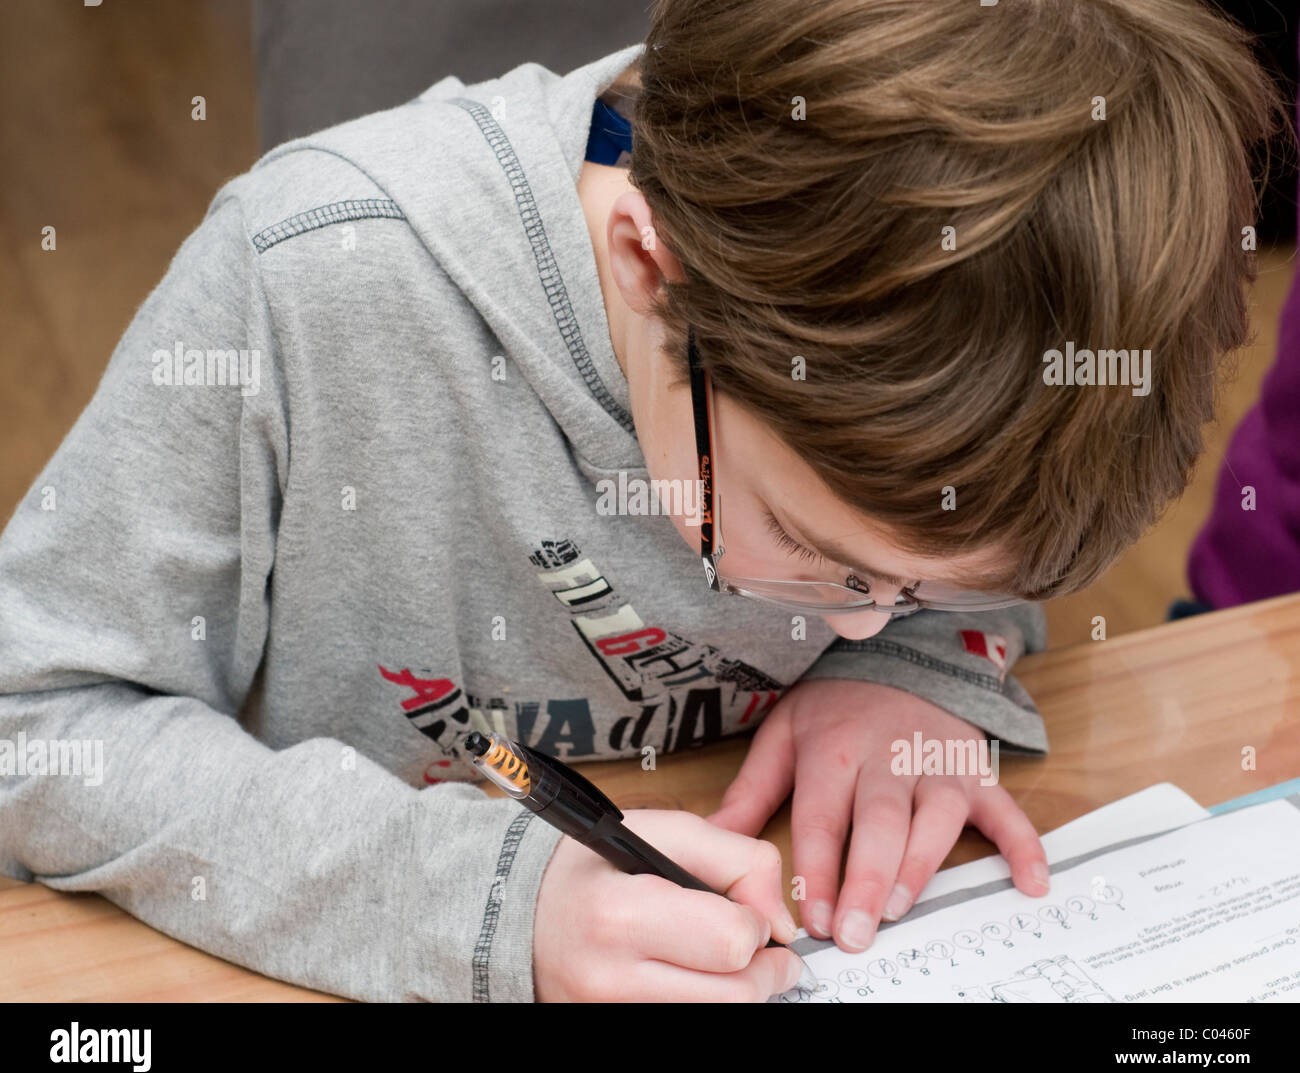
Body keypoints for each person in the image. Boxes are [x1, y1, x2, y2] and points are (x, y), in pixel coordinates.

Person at [0, 0, 1282, 1002]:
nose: (851, 622)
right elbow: (36, 724)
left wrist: (922, 663)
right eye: (813, 555)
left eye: (924, 586)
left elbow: (930, 562)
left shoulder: (933, 385)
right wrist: (484, 908)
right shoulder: (314, 277)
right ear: (647, 271)